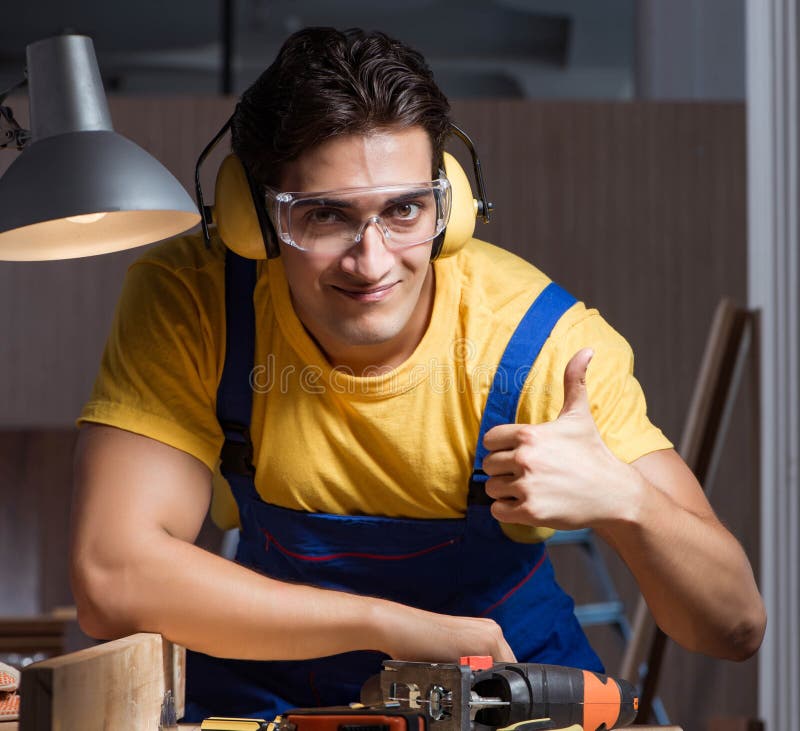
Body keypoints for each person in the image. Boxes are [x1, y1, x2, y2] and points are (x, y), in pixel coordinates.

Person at [70, 27, 765, 722]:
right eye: (324, 215)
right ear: (254, 218)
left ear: (450, 207)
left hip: (508, 690)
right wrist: (394, 627)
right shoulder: (200, 301)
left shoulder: (542, 344)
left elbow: (734, 625)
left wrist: (626, 500)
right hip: (268, 690)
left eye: (404, 210)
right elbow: (111, 576)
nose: (372, 262)